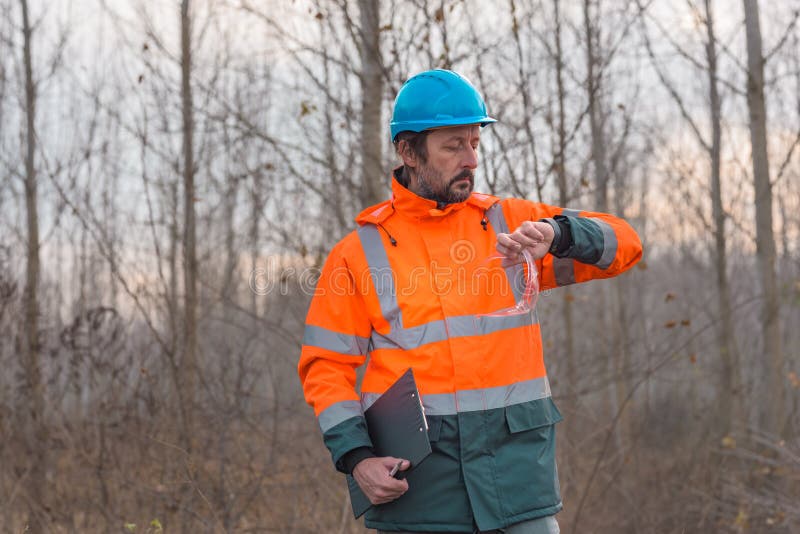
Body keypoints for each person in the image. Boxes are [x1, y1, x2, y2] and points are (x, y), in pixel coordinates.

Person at [298, 69, 642, 533]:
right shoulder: (358, 254)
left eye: (475, 143)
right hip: (418, 494)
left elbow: (624, 245)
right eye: (453, 145)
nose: (471, 159)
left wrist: (560, 235)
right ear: (408, 151)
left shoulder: (512, 226)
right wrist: (358, 459)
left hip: (518, 485)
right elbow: (325, 366)